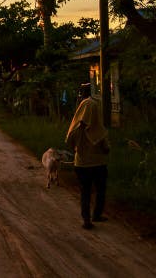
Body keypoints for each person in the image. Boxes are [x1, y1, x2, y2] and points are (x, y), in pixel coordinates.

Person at [65, 85, 111, 230]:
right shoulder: (99, 129)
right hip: (98, 165)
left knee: (85, 192)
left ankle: (86, 220)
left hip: (81, 165)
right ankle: (96, 214)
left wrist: (78, 148)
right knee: (100, 190)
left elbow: (69, 141)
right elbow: (106, 149)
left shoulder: (76, 129)